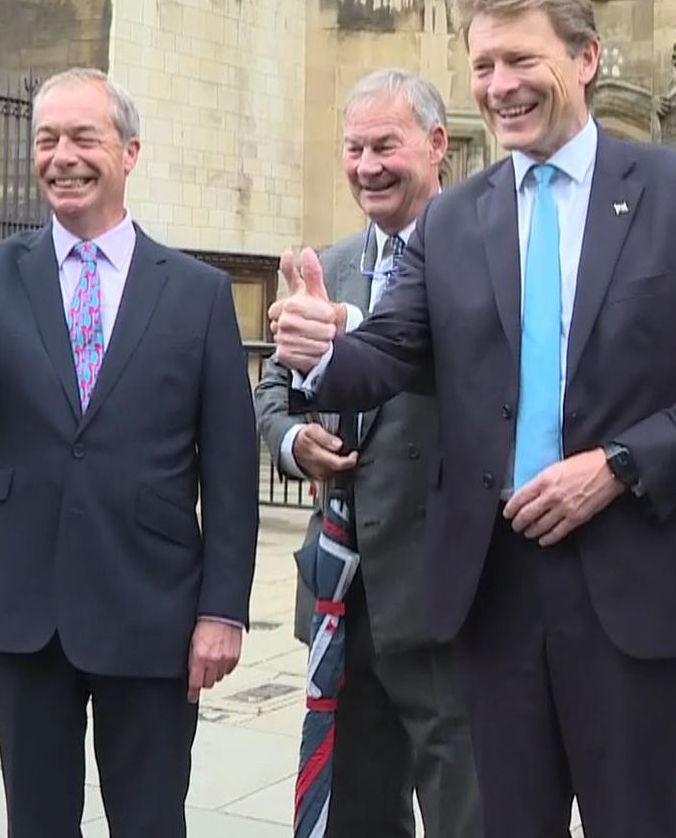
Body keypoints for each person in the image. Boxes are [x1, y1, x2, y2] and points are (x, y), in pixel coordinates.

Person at [270, 0, 676, 838]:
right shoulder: (456, 218)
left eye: (520, 60)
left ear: (585, 58)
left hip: (634, 585)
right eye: (483, 66)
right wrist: (319, 353)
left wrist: (618, 466)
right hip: (491, 589)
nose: (499, 86)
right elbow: (388, 354)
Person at [0, 67, 259, 838]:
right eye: (46, 139)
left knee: (150, 819)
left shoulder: (196, 292)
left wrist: (223, 610)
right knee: (37, 821)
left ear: (130, 151)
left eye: (84, 137)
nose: (62, 156)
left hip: (149, 604)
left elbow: (229, 465)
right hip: (25, 602)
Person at [255, 68, 482, 838]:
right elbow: (273, 387)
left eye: (385, 145)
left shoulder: (487, 255)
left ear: (438, 144)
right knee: (355, 808)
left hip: (446, 595)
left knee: (464, 810)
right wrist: (291, 440)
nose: (366, 165)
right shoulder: (327, 261)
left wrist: (352, 329)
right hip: (341, 596)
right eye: (353, 148)